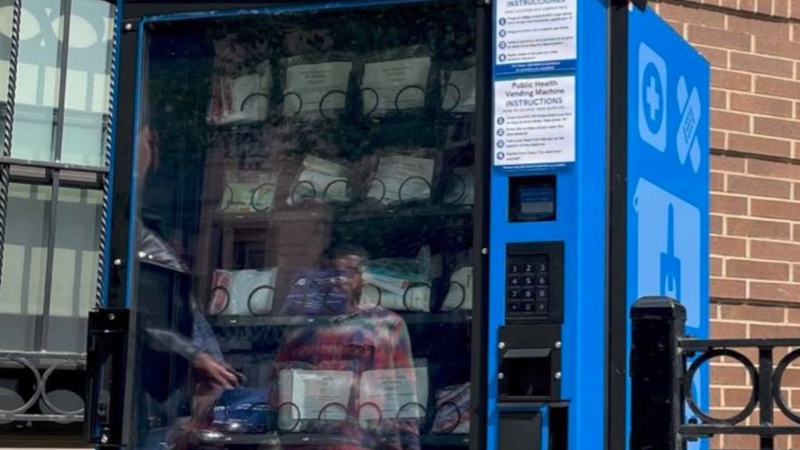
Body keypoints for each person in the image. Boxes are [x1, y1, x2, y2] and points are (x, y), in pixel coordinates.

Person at [135, 123, 242, 450]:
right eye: (146, 138)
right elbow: (134, 319)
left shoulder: (150, 233)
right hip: (148, 406)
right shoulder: (134, 235)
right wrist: (195, 358)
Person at [270, 242, 422, 450]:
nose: (340, 279)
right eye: (332, 272)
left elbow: (405, 391)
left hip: (366, 442)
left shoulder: (387, 325)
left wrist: (410, 444)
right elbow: (278, 385)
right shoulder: (300, 328)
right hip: (309, 442)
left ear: (363, 278)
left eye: (350, 272)